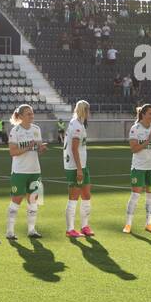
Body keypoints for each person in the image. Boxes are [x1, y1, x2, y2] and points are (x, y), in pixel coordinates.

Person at [6, 104, 45, 240]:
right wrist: (28, 147)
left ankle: (32, 230)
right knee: (16, 200)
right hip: (19, 171)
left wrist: (41, 149)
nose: (31, 116)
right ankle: (10, 231)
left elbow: (38, 149)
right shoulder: (15, 131)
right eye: (28, 114)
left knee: (33, 200)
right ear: (21, 116)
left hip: (35, 170)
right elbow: (12, 152)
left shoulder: (36, 129)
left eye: (32, 113)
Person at [125, 103, 151, 234]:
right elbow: (134, 149)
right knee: (135, 195)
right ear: (143, 114)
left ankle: (149, 223)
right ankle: (128, 224)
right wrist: (147, 140)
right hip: (139, 167)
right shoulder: (135, 129)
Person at [63, 100, 95, 239]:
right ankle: (70, 229)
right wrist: (79, 169)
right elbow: (74, 148)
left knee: (86, 195)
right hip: (75, 167)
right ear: (84, 111)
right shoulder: (76, 125)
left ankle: (85, 226)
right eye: (89, 110)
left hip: (82, 165)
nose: (90, 113)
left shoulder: (79, 123)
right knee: (74, 197)